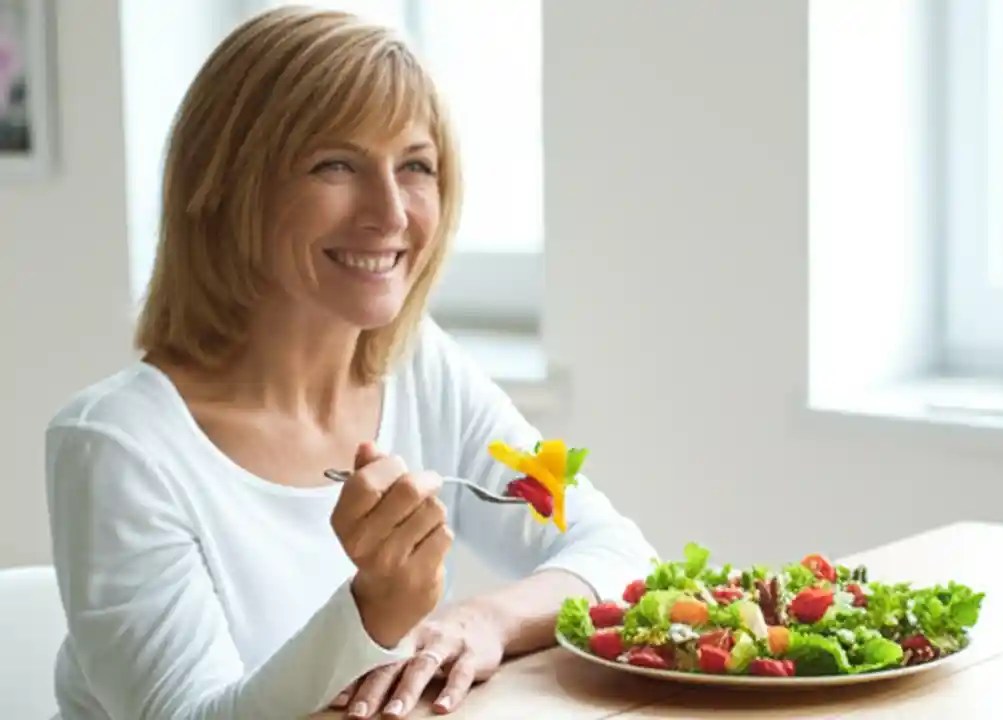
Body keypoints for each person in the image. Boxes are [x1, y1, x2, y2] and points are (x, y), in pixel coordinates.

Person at [44, 7, 656, 719]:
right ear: (224, 185)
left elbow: (620, 553)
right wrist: (372, 614)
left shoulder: (422, 371)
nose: (391, 212)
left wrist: (482, 620)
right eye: (335, 164)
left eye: (416, 166)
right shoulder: (119, 446)